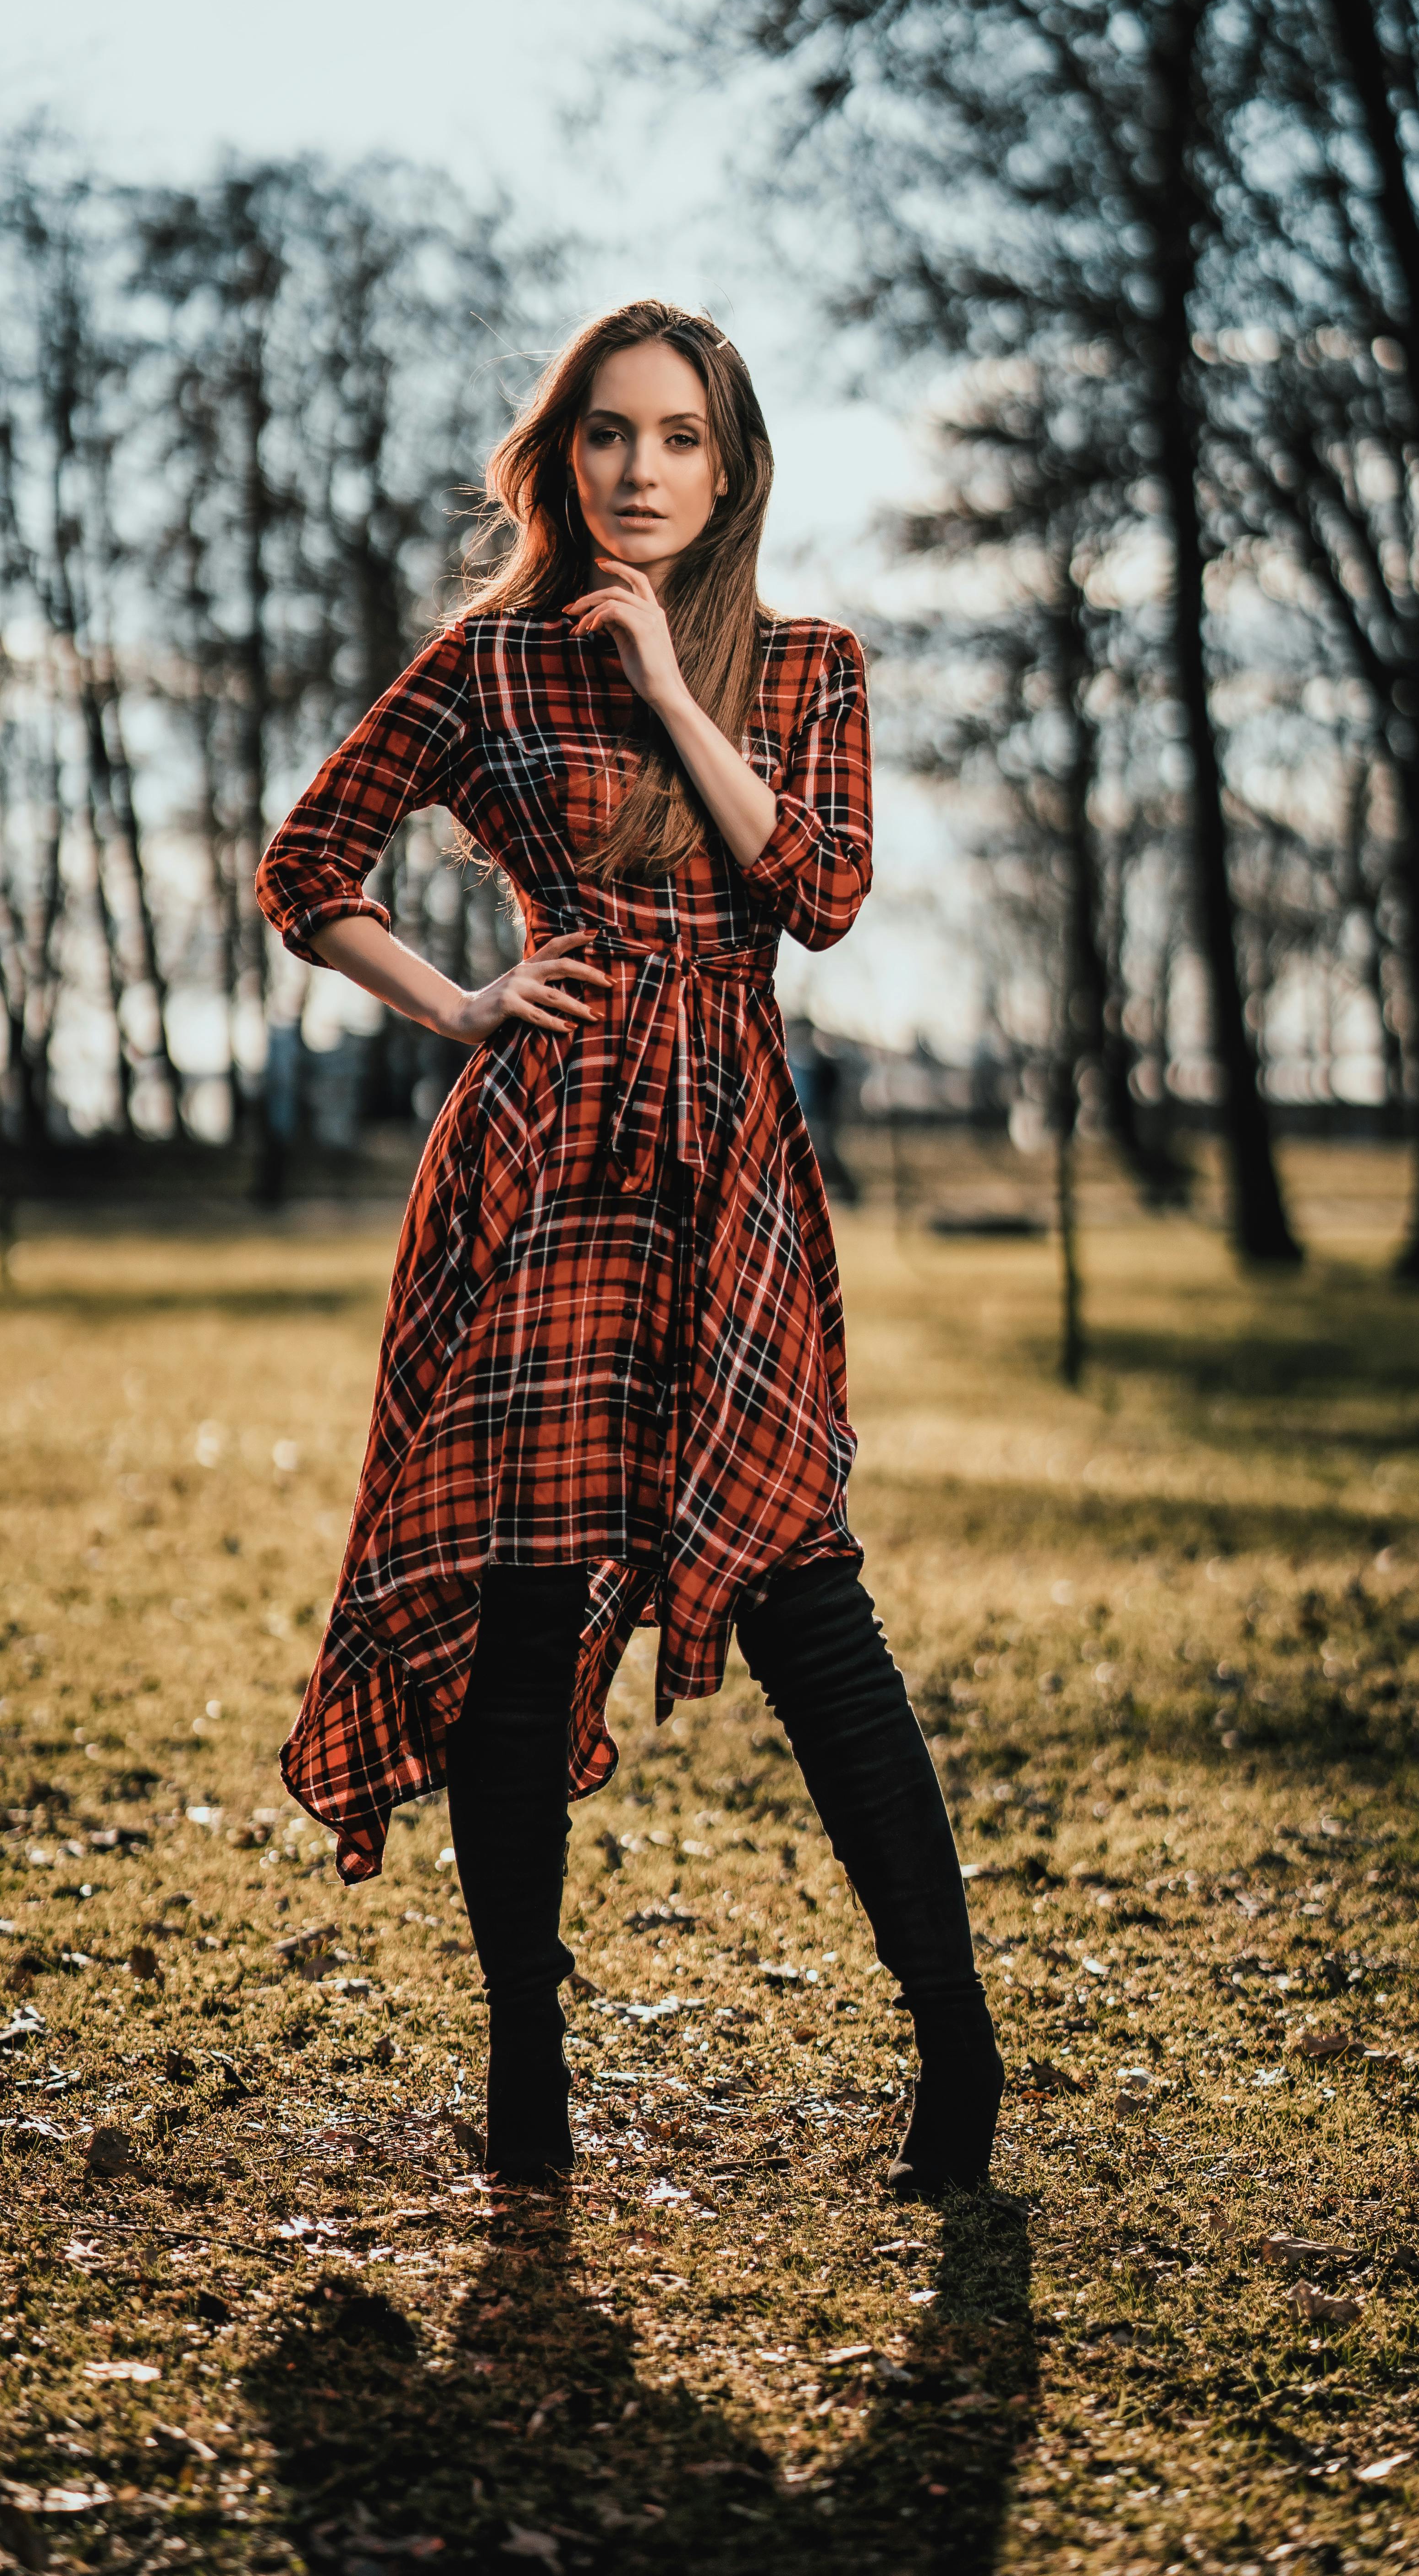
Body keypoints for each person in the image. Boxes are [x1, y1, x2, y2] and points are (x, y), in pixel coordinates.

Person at [254, 300, 1001, 2200]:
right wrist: (456, 1002)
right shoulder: (485, 668)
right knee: (516, 1611)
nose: (640, 471)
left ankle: (956, 2047)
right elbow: (305, 866)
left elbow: (816, 895)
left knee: (803, 1590)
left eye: (679, 438)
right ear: (559, 456)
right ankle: (525, 2076)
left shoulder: (808, 665)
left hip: (730, 1162)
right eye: (607, 435)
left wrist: (673, 685)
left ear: (730, 466)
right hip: (543, 1155)